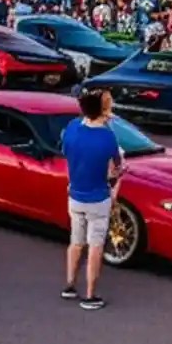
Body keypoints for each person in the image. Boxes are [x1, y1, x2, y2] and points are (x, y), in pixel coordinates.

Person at [60, 89, 123, 311]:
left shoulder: (72, 129)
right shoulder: (107, 137)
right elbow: (116, 168)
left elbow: (65, 152)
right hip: (98, 199)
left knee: (76, 241)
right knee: (95, 246)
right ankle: (90, 295)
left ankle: (69, 285)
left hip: (75, 195)